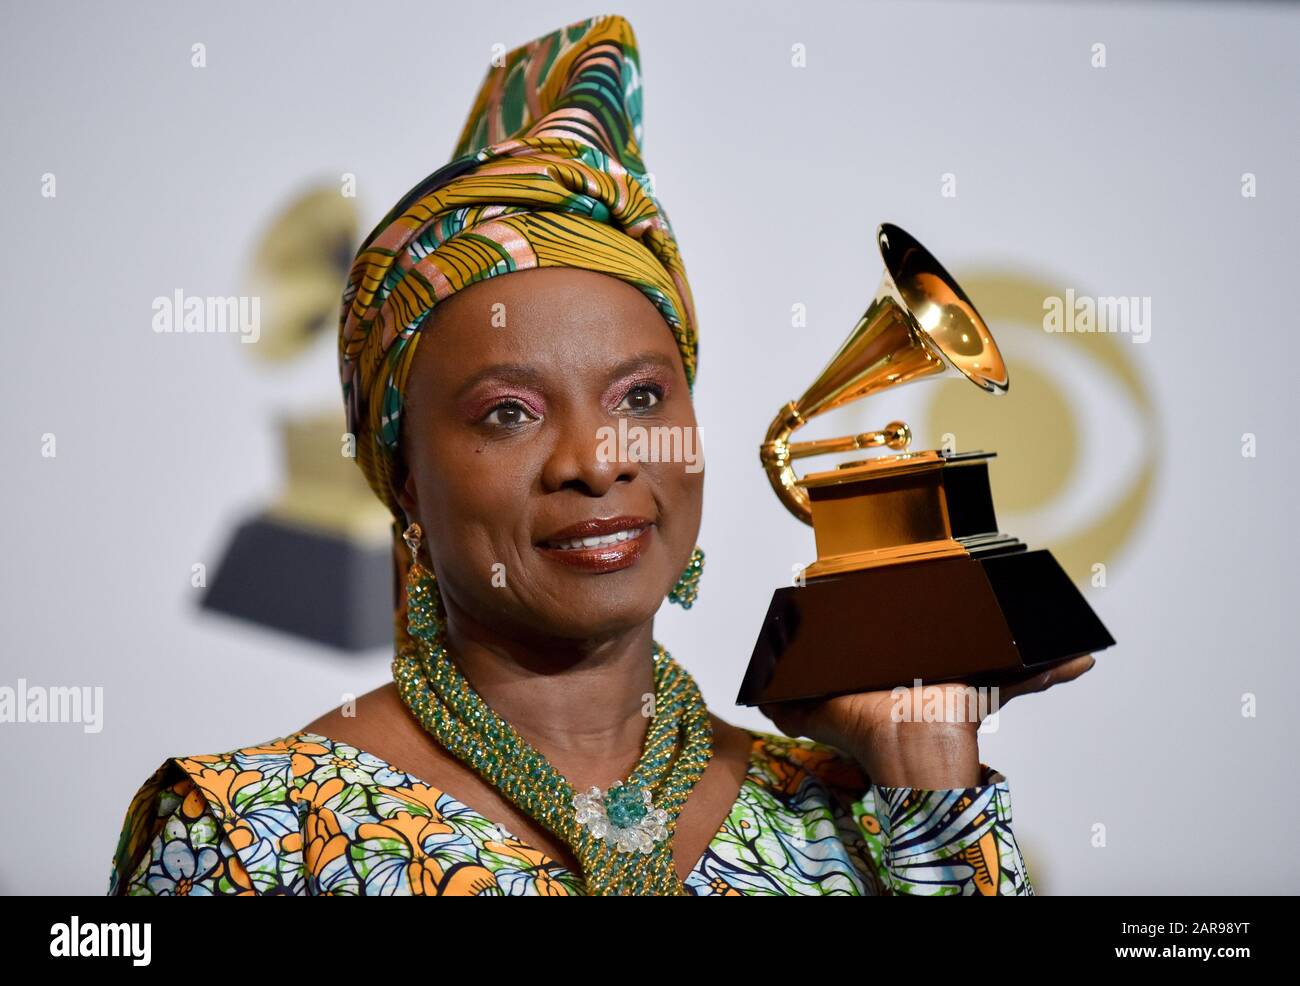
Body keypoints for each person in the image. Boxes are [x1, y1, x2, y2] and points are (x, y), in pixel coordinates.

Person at [107, 13, 1091, 897]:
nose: (596, 458)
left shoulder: (848, 812)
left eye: (640, 395)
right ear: (403, 476)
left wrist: (925, 766)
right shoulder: (245, 834)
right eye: (507, 412)